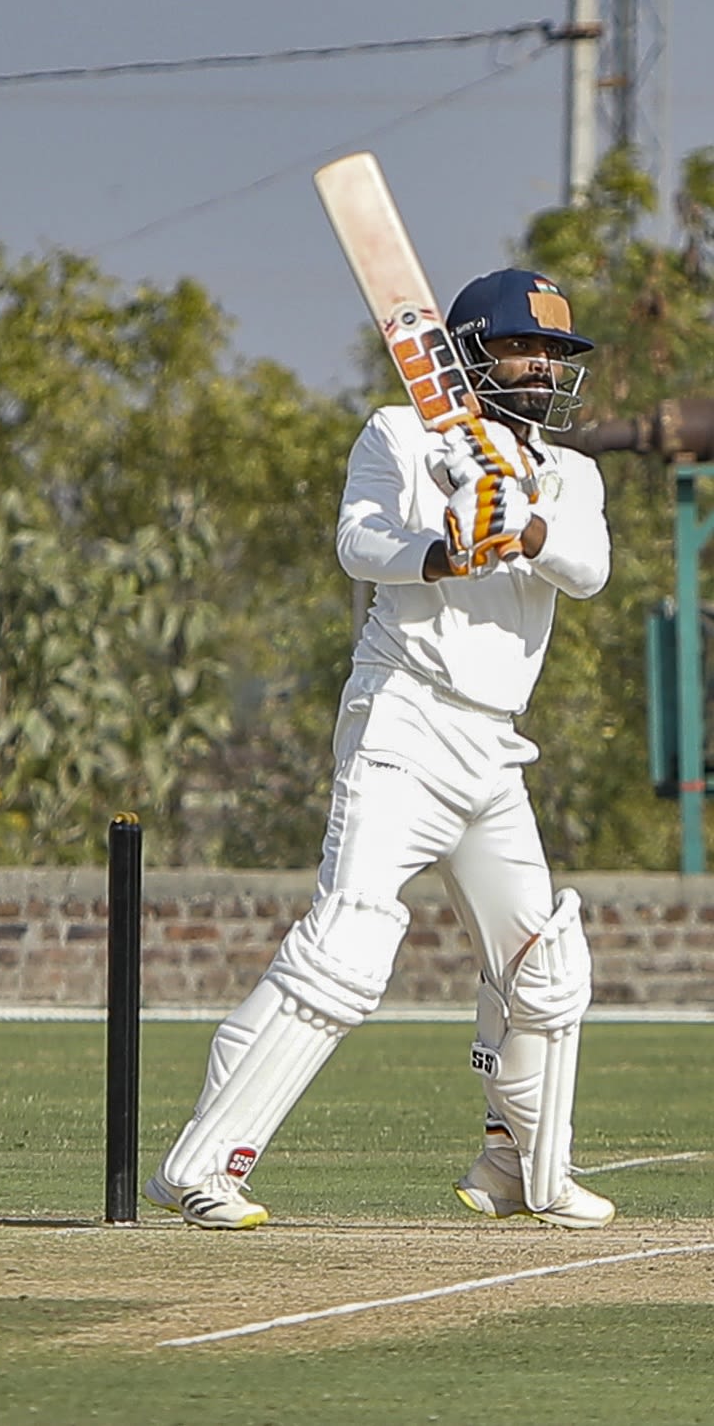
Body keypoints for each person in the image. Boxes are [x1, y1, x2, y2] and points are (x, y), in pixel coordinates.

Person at [145, 268, 614, 1231]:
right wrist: (443, 546)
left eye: (557, 353)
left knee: (546, 962)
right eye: (527, 346)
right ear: (472, 351)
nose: (544, 366)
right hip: (405, 716)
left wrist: (518, 524)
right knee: (350, 945)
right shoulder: (402, 435)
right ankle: (202, 1166)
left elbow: (590, 567)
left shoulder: (569, 475)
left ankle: (523, 1168)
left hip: (494, 743)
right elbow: (358, 542)